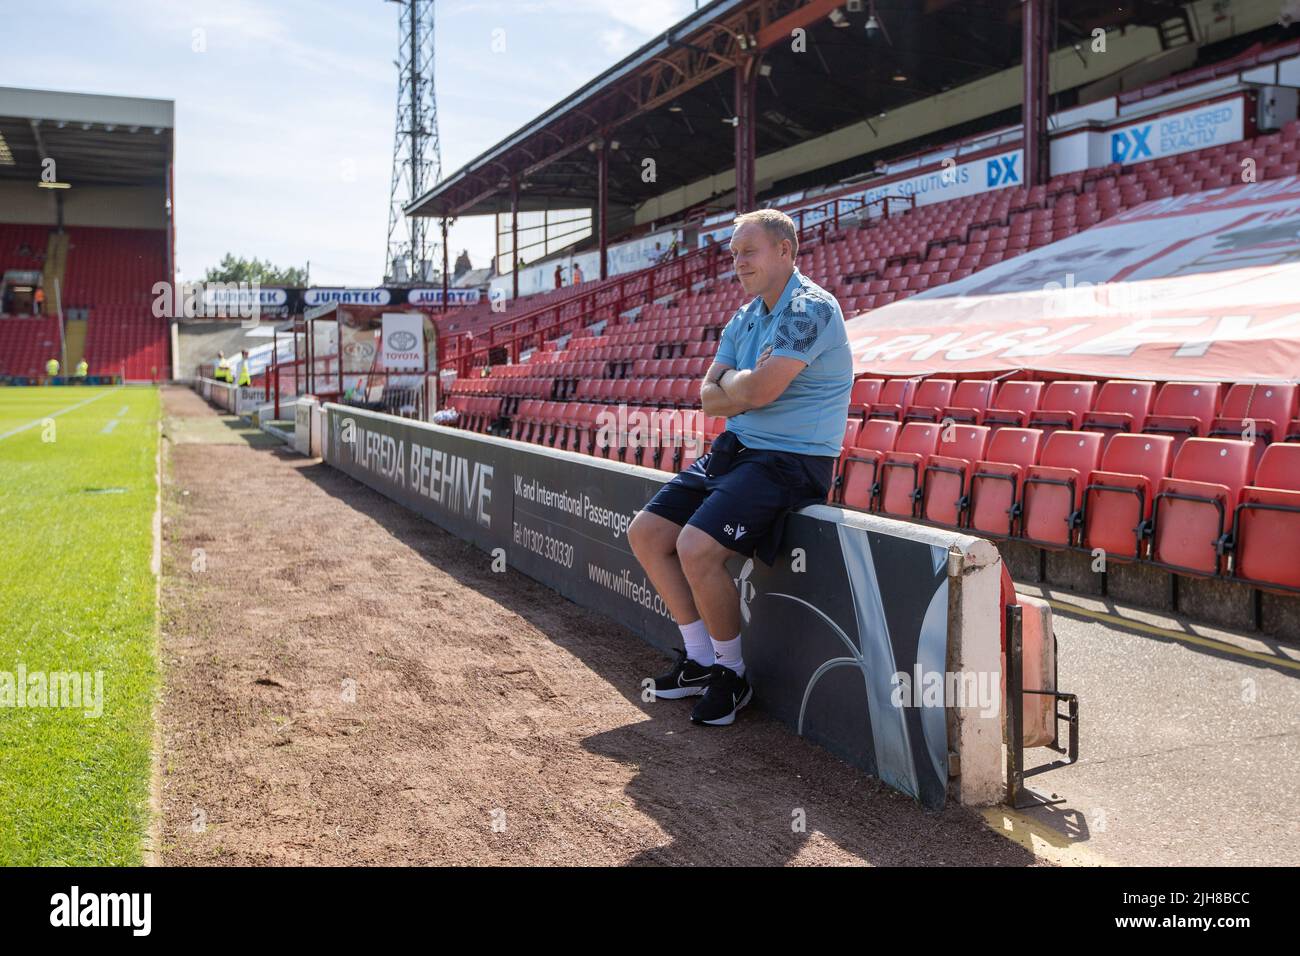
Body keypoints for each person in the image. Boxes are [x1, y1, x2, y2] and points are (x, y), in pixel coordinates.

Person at [627, 208, 853, 727]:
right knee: (646, 533)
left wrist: (738, 389)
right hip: (739, 450)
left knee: (694, 548)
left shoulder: (810, 308)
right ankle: (699, 661)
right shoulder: (746, 315)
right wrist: (738, 390)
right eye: (733, 254)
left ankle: (732, 674)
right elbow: (709, 400)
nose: (738, 262)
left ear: (785, 251)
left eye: (748, 252)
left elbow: (758, 390)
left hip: (793, 459)